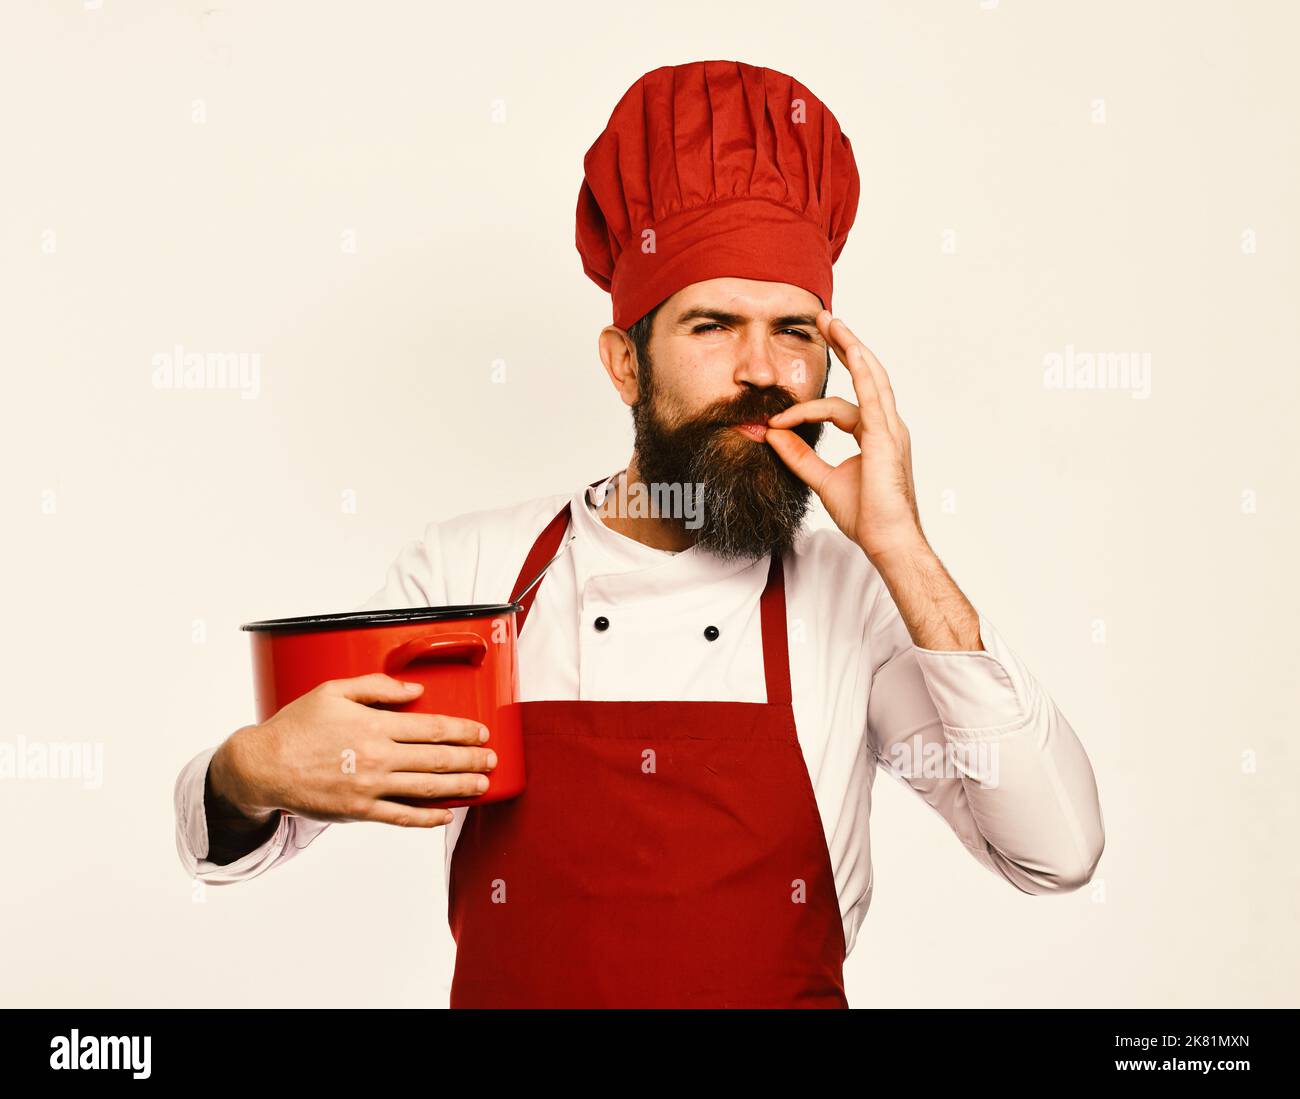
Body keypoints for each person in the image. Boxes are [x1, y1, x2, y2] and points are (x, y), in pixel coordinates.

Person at [174, 59, 1104, 1008]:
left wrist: (902, 548)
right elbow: (237, 831)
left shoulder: (854, 596)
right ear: (625, 363)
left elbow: (1056, 851)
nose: (763, 370)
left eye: (795, 330)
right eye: (712, 326)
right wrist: (250, 769)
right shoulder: (479, 570)